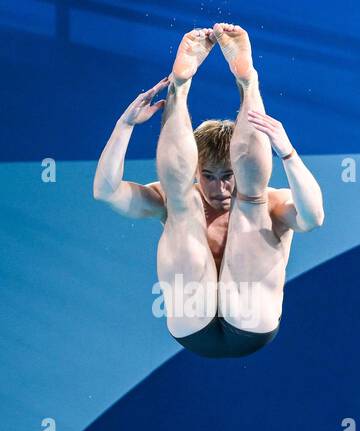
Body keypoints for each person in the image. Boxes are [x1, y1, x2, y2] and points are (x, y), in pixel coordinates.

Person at [92, 24, 324, 358]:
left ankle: (249, 84)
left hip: (252, 321)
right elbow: (106, 191)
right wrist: (124, 125)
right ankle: (179, 89)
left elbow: (314, 216)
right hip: (192, 322)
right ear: (196, 171)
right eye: (209, 176)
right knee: (181, 201)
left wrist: (287, 153)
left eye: (229, 175)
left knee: (251, 200)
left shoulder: (272, 203)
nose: (219, 187)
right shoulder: (176, 196)